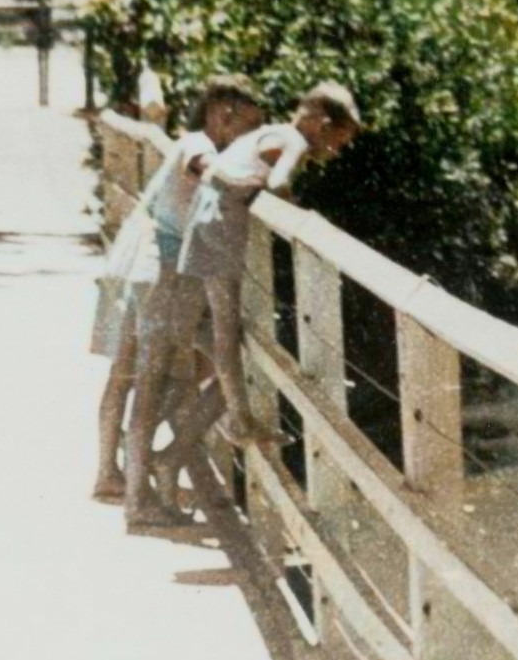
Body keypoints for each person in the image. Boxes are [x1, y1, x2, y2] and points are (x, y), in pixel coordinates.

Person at [124, 81, 363, 527]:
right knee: (225, 337)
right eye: (338, 139)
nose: (336, 150)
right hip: (218, 237)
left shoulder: (266, 133)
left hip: (204, 231)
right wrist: (293, 210)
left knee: (217, 343)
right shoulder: (290, 139)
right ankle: (238, 420)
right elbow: (278, 181)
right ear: (322, 124)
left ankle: (178, 453)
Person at [93, 75, 266, 511]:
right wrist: (258, 179)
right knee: (151, 378)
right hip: (159, 267)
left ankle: (115, 475)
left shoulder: (191, 141)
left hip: (141, 260)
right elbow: (211, 173)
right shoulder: (198, 147)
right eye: (244, 126)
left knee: (130, 371)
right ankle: (139, 495)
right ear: (220, 115)